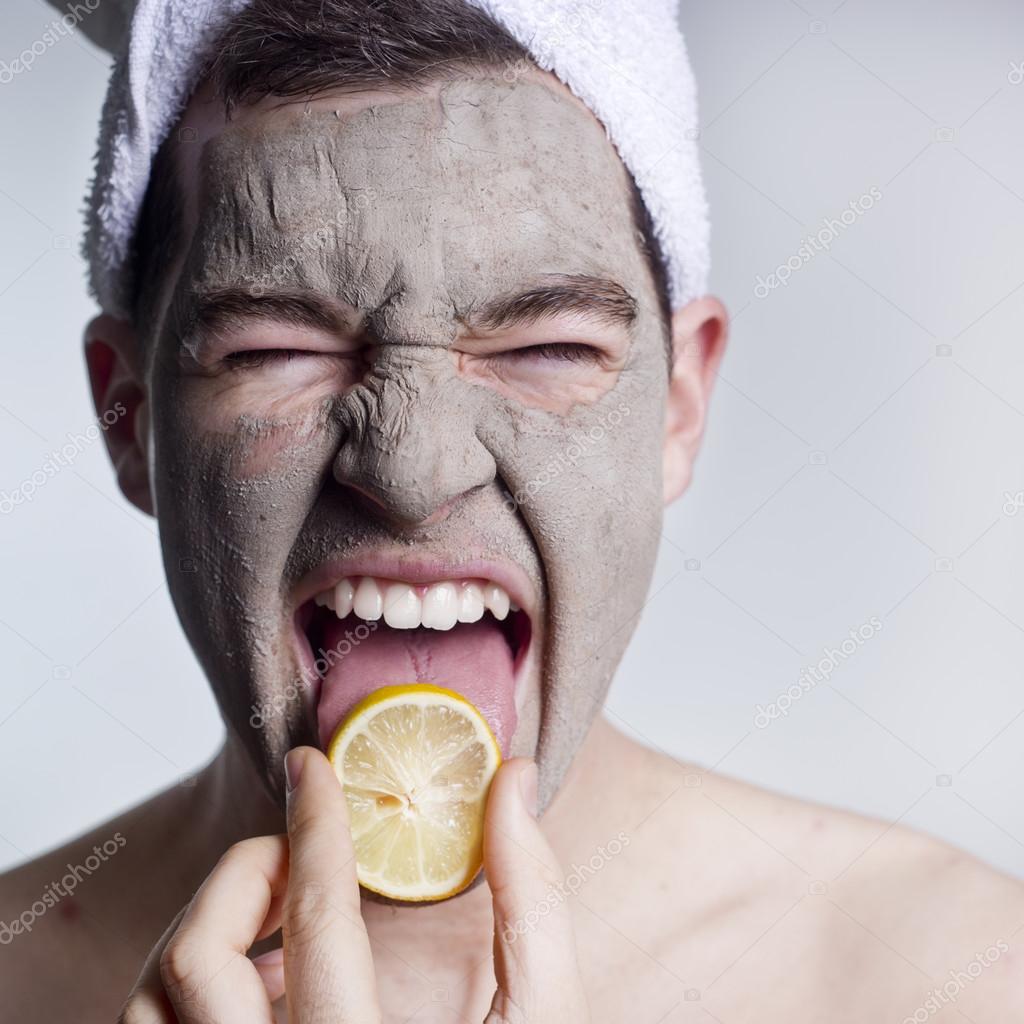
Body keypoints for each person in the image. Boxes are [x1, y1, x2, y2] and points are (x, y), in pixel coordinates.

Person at [3, 2, 1023, 1021]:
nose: (412, 474)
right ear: (129, 415)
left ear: (679, 404)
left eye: (546, 348)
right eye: (278, 351)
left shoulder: (961, 978)